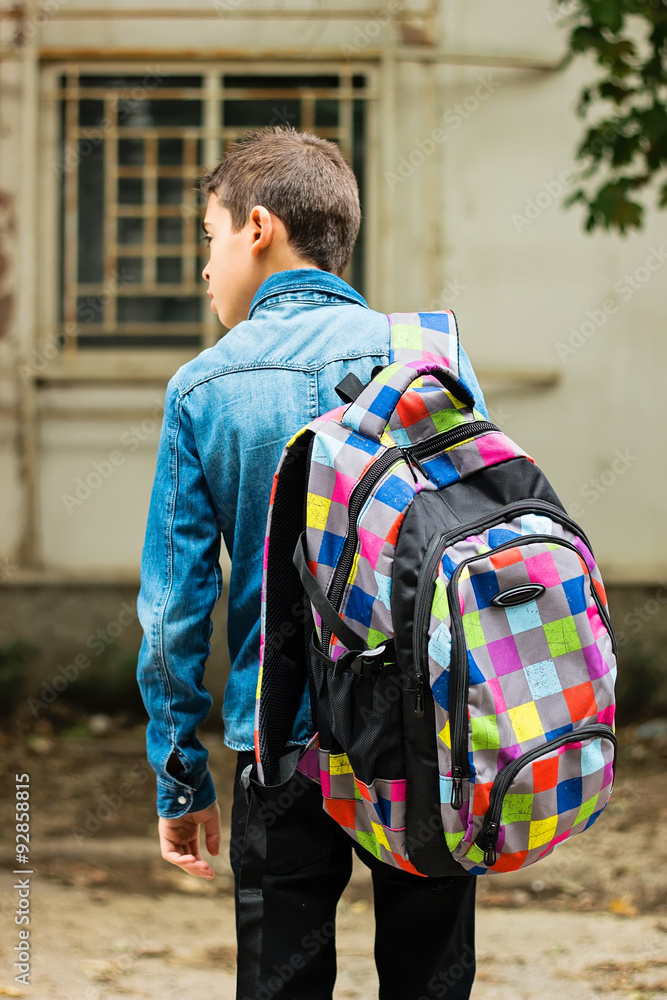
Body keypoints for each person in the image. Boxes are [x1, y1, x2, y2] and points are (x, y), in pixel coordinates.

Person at [136, 123, 487, 1000]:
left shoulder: (204, 388)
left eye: (210, 238)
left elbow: (175, 607)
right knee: (430, 980)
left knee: (280, 982)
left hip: (281, 744)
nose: (206, 268)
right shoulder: (428, 357)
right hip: (425, 736)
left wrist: (180, 777)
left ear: (258, 227)